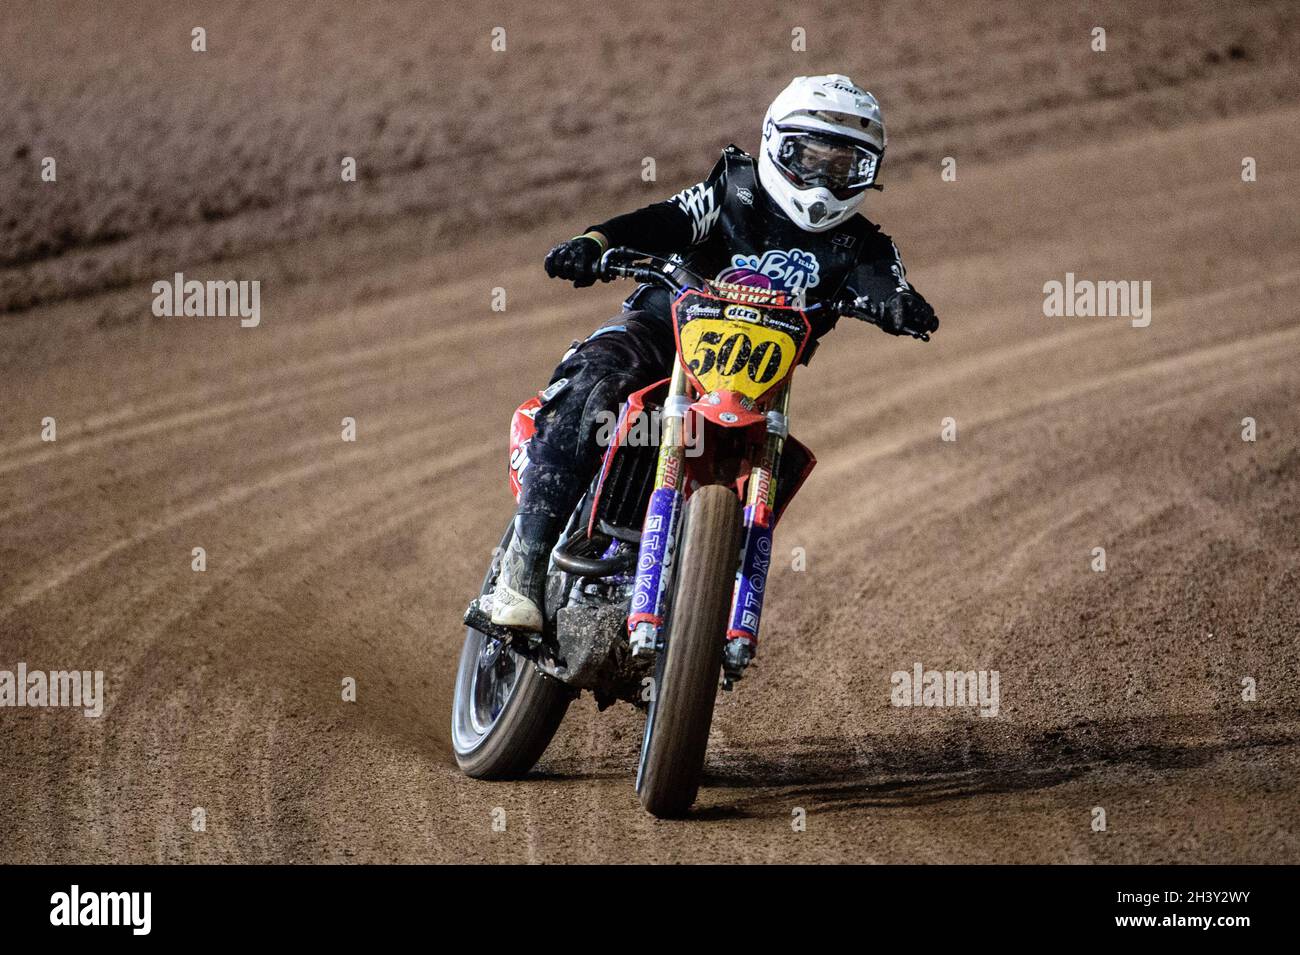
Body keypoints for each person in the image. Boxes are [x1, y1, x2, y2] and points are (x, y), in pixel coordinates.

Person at [491, 74, 939, 631]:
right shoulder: (734, 189)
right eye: (810, 157)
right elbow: (667, 218)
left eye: (844, 166)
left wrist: (902, 305)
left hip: (753, 380)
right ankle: (523, 567)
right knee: (595, 383)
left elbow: (884, 284)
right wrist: (597, 242)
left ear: (868, 172)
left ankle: (705, 607)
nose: (823, 180)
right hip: (663, 328)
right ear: (777, 143)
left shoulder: (866, 246)